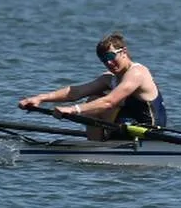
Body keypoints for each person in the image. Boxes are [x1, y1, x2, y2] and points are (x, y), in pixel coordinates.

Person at [18, 31, 166, 140]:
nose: (108, 63)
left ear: (124, 52)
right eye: (103, 59)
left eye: (110, 56)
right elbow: (75, 92)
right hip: (128, 125)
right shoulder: (109, 78)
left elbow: (109, 102)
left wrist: (73, 109)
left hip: (148, 131)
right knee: (93, 98)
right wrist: (39, 98)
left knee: (98, 103)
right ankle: (97, 145)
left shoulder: (137, 73)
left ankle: (97, 148)